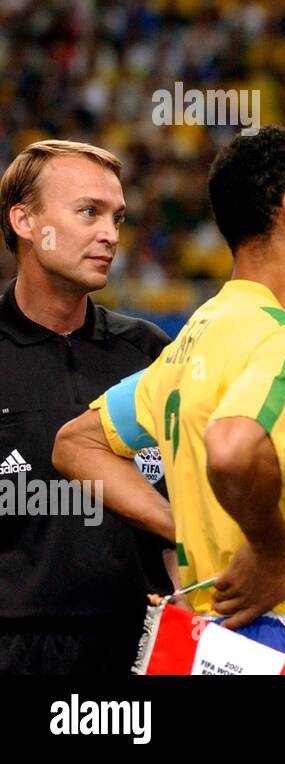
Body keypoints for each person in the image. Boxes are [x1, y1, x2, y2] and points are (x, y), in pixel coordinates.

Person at [53, 127, 285, 674]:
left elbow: (77, 444)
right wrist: (271, 550)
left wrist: (185, 529)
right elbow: (232, 446)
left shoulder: (194, 338)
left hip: (210, 645)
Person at [0, 140, 173, 674]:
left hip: (139, 648)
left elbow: (180, 497)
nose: (110, 235)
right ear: (25, 221)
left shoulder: (149, 352)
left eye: (117, 217)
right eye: (88, 213)